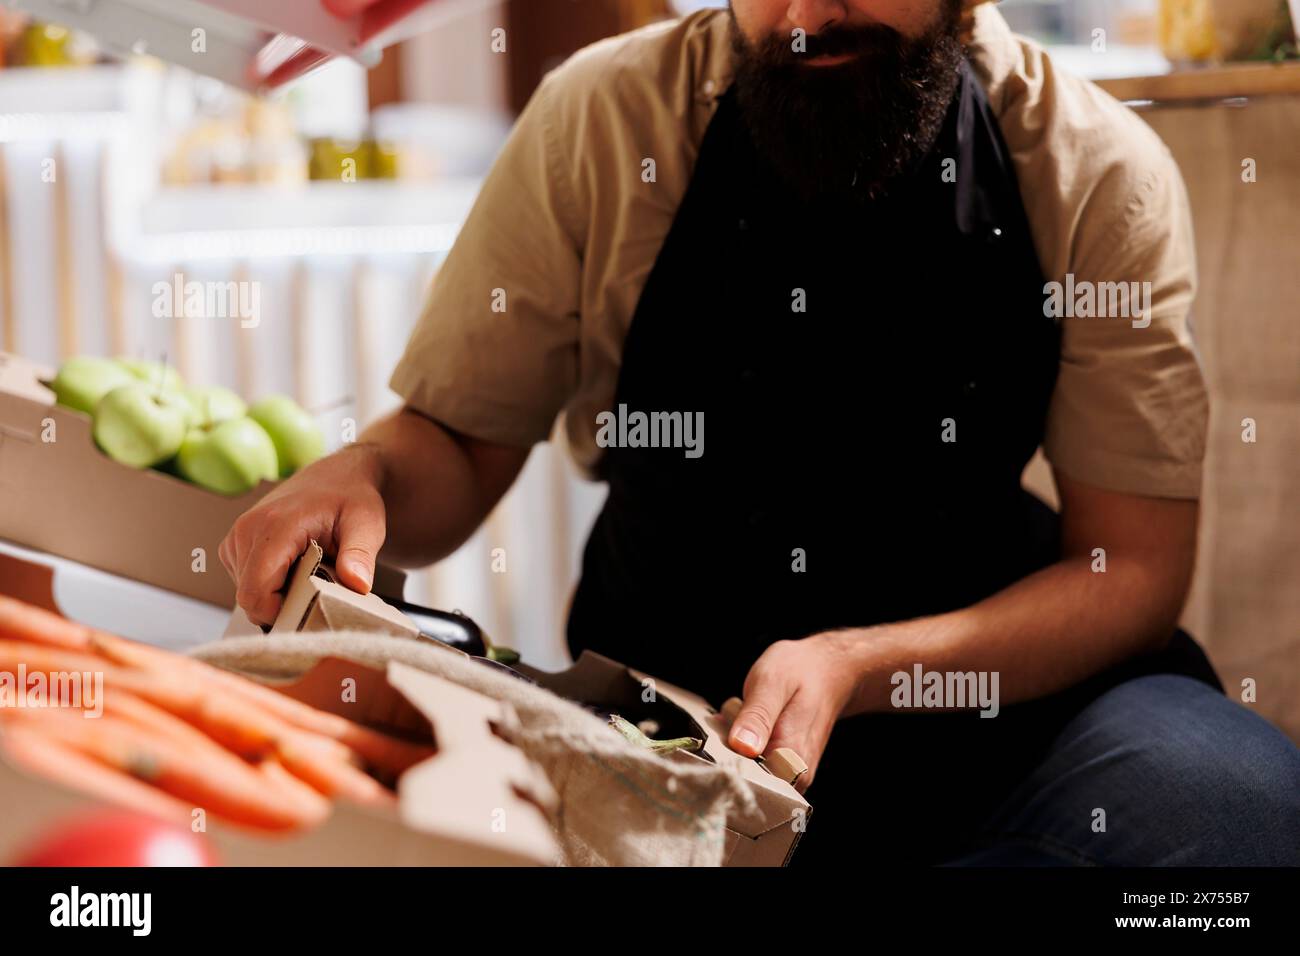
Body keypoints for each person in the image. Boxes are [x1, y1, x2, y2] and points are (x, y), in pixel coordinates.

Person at [220, 0, 1300, 865]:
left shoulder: (1095, 169)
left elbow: (1133, 565)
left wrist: (860, 664)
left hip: (1001, 707)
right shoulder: (603, 120)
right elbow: (453, 447)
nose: (805, 16)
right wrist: (367, 476)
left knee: (1232, 807)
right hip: (684, 717)